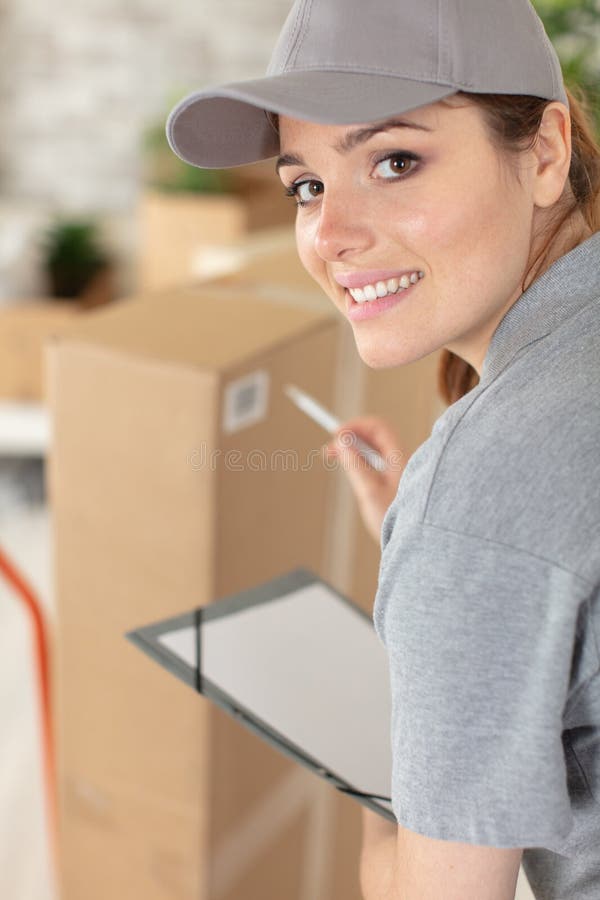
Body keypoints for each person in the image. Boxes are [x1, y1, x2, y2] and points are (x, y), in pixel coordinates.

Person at [166, 1, 600, 897]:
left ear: (547, 152)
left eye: (395, 161)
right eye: (306, 186)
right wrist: (442, 547)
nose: (329, 234)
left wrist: (379, 734)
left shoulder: (476, 503)